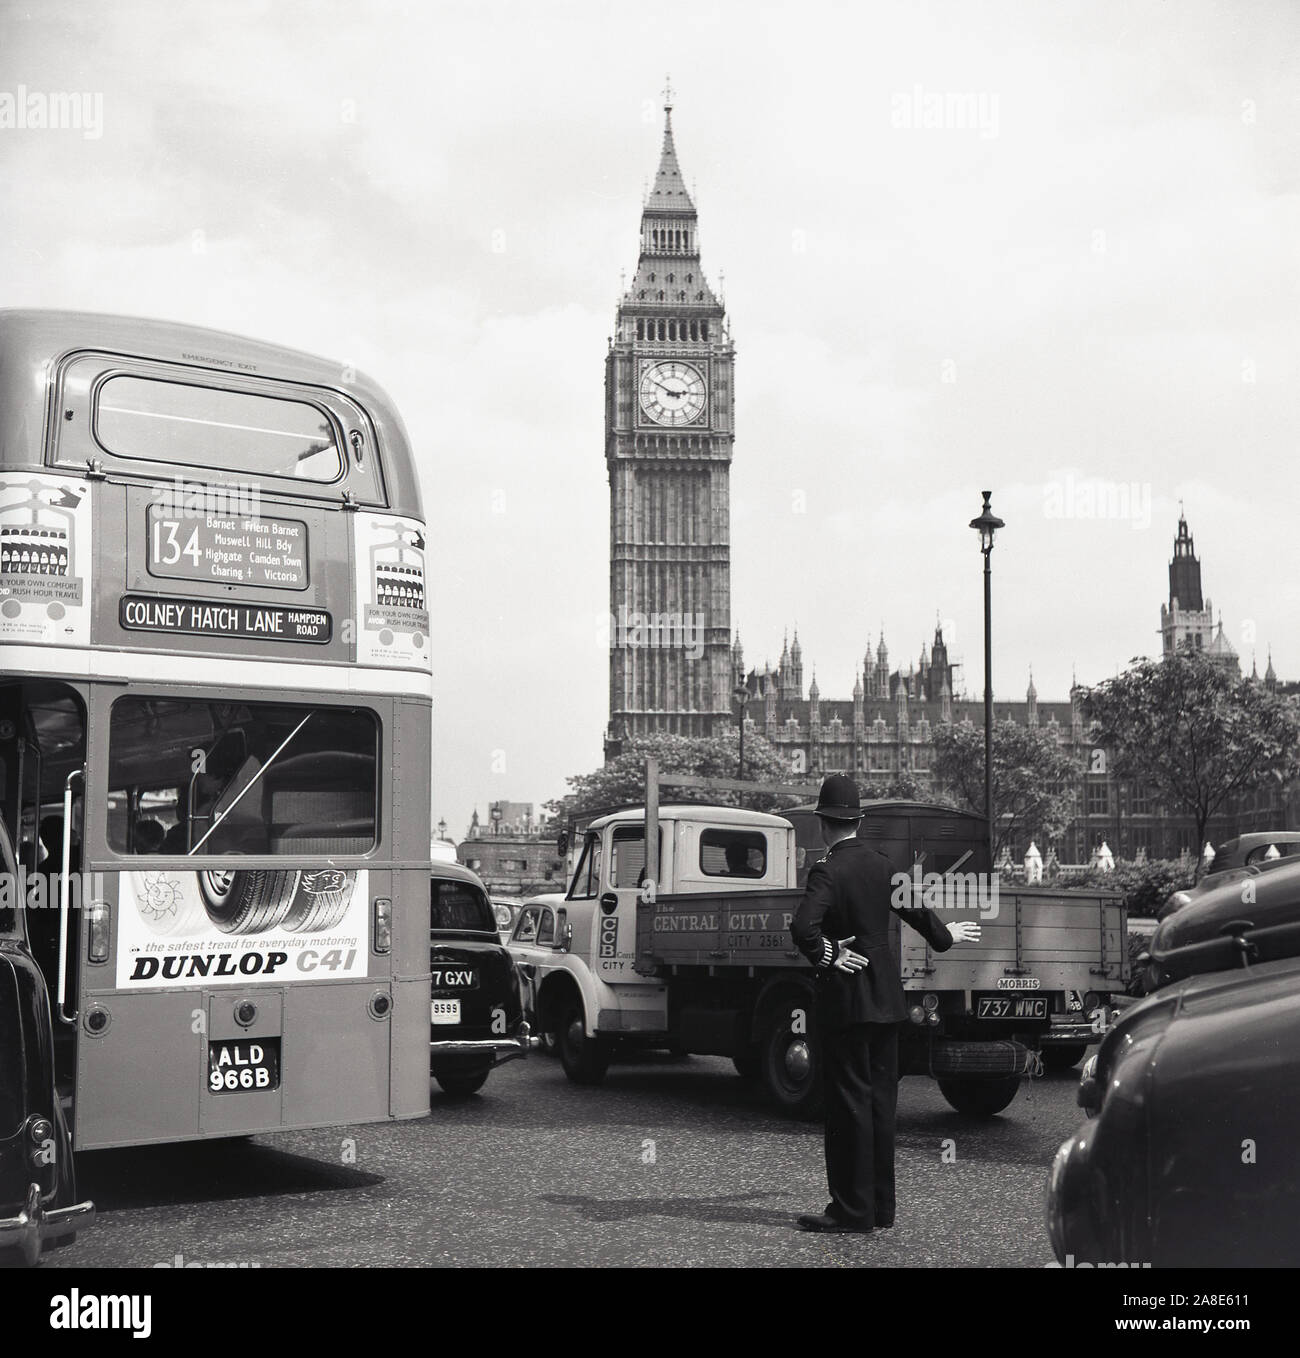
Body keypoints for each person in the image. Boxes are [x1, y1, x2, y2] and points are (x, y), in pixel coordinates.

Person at [790, 773, 981, 1233]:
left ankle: (850, 1211)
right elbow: (917, 911)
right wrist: (946, 937)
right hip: (887, 1004)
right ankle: (881, 1209)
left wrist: (831, 955)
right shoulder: (883, 863)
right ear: (859, 820)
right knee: (880, 1106)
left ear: (822, 824)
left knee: (847, 1107)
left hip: (848, 1005)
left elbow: (802, 929)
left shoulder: (827, 870)